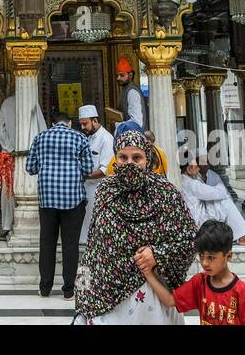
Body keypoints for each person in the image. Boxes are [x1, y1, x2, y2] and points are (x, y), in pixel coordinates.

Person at [74, 130, 197, 325]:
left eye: (137, 157)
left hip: (153, 292)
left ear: (147, 159)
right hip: (108, 293)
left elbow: (189, 239)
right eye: (123, 157)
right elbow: (95, 245)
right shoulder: (105, 190)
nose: (130, 163)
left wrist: (157, 253)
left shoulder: (165, 192)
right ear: (116, 159)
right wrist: (83, 289)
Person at [139, 219, 245, 325]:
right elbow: (170, 300)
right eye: (201, 255)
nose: (204, 263)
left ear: (228, 256)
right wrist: (148, 273)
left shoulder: (240, 290)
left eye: (211, 257)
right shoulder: (200, 282)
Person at [25, 111, 91, 299]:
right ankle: (69, 291)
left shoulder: (40, 137)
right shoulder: (80, 138)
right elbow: (87, 169)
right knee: (70, 245)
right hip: (73, 199)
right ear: (70, 123)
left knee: (47, 243)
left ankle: (45, 288)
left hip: (47, 199)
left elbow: (30, 168)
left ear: (52, 124)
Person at [181, 157, 245, 246]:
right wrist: (220, 187)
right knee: (224, 201)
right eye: (196, 166)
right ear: (189, 169)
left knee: (221, 200)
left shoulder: (186, 180)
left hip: (196, 219)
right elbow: (220, 193)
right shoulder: (191, 184)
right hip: (198, 223)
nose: (199, 168)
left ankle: (241, 235)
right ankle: (243, 237)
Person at [0, 91, 46, 232]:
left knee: (8, 190)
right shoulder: (32, 101)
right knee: (28, 187)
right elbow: (42, 129)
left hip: (10, 155)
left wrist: (9, 148)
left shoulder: (7, 102)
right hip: (30, 154)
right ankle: (29, 222)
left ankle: (7, 224)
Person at [77, 104, 114, 244]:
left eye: (85, 123)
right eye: (81, 124)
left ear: (95, 120)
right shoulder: (88, 138)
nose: (82, 127)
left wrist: (81, 175)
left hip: (98, 190)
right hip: (86, 189)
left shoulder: (106, 139)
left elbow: (104, 170)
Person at [115, 57, 144, 127]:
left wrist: (116, 124)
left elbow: (136, 121)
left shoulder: (132, 92)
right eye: (117, 75)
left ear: (130, 75)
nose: (118, 78)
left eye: (122, 75)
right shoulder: (125, 89)